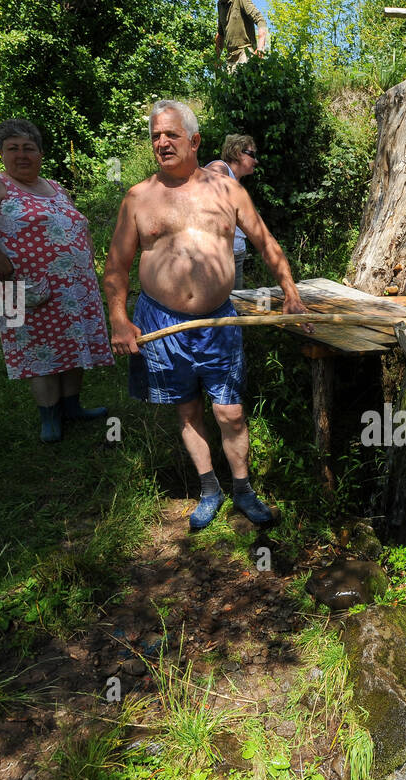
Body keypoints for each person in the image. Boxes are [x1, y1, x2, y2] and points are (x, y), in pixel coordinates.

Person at [103, 100, 306, 531]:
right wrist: (119, 321)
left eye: (171, 134)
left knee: (229, 412)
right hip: (163, 323)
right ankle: (209, 488)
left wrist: (291, 293)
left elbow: (265, 242)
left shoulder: (226, 191)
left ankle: (243, 489)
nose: (162, 142)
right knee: (187, 410)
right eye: (156, 135)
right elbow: (116, 268)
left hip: (217, 320)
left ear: (194, 140)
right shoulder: (138, 198)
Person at [0, 119, 114, 442]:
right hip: (28, 287)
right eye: (13, 148)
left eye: (28, 148)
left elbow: (78, 223)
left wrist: (87, 253)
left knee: (71, 341)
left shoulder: (56, 187)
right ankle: (50, 418)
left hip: (74, 286)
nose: (21, 155)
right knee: (41, 349)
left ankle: (72, 408)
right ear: (2, 153)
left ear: (40, 153)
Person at [205, 134, 259, 288]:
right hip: (220, 256)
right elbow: (202, 191)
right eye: (252, 154)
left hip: (236, 254)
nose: (256, 161)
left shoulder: (235, 181)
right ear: (237, 153)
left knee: (235, 306)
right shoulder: (220, 167)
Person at [215, 0, 268, 69]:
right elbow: (220, 34)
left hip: (245, 52)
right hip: (230, 59)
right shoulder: (220, 4)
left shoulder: (241, 1)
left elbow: (260, 20)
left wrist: (260, 48)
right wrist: (217, 59)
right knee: (228, 79)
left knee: (246, 77)